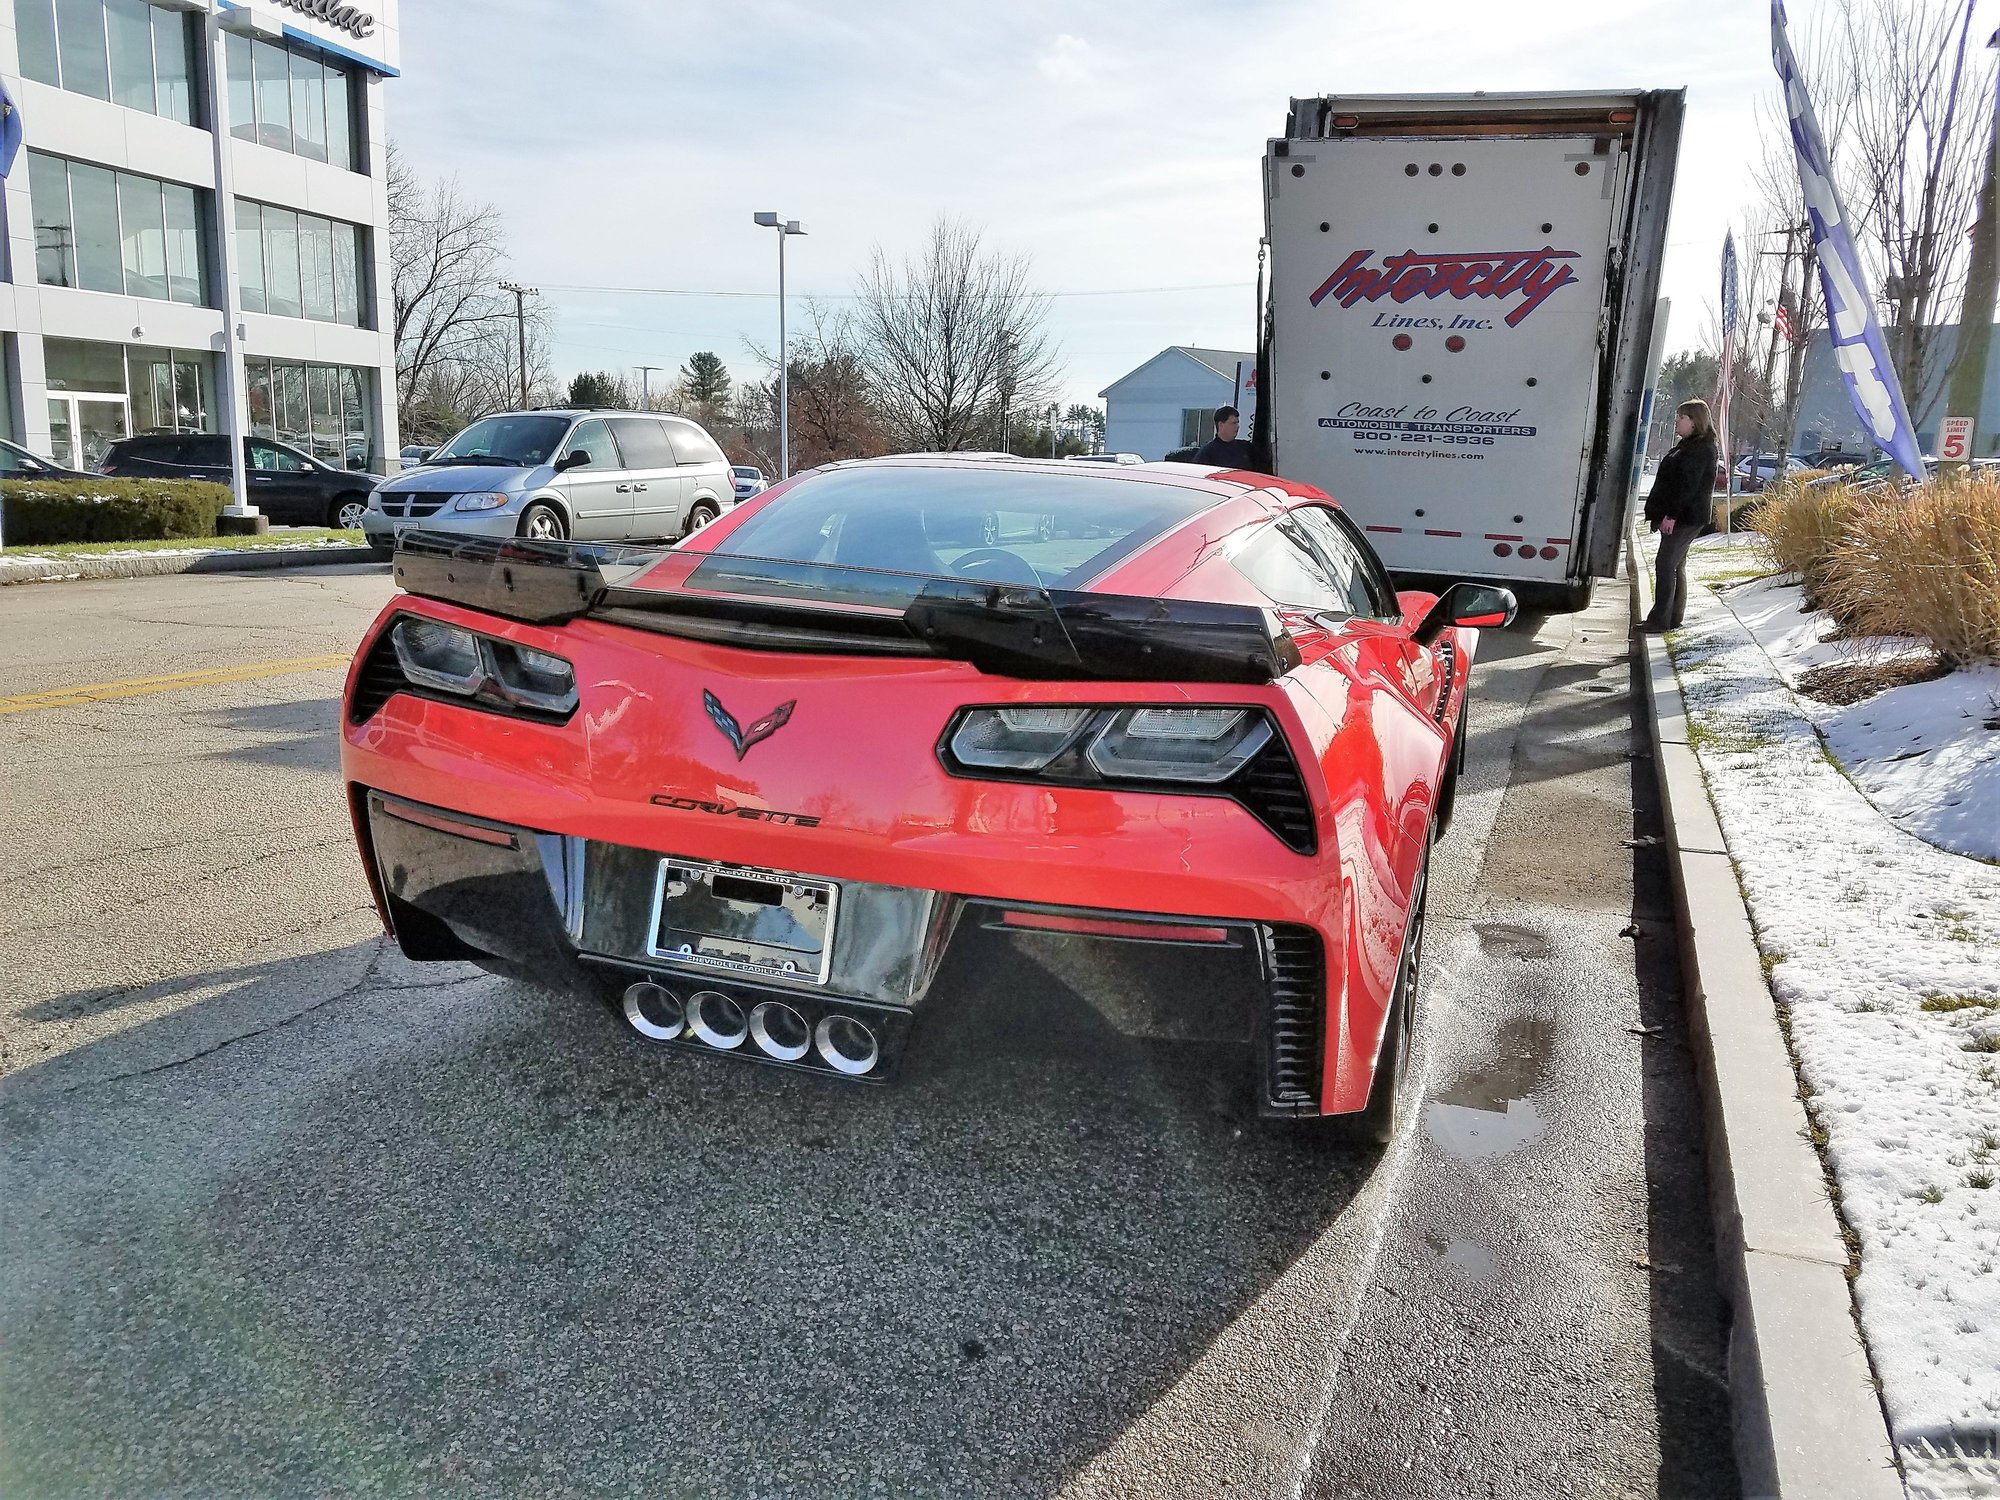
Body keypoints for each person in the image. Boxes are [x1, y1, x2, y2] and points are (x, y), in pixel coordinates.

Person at [1640, 399, 1720, 633]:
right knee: (1675, 565)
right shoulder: (1687, 446)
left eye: (1682, 418)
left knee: (1665, 564)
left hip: (1686, 517)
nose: (1677, 422)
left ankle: (1659, 620)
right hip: (1680, 515)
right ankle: (1672, 617)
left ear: (1695, 421)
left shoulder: (1701, 449)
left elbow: (1688, 486)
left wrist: (1671, 516)